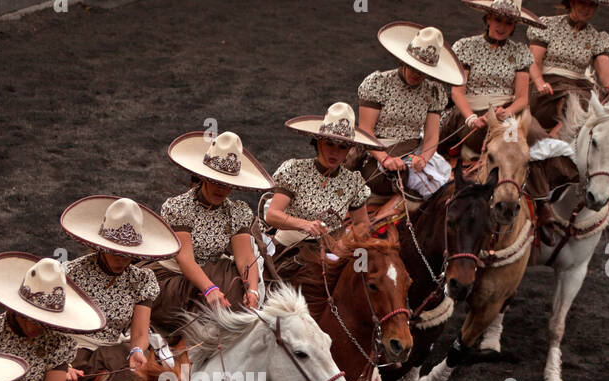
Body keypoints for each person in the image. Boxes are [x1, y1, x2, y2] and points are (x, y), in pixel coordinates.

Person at [148, 131, 273, 336]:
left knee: (238, 283)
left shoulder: (237, 211)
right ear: (204, 176)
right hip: (174, 275)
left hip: (211, 274)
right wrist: (209, 289)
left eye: (227, 183)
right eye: (216, 180)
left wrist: (252, 289)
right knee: (208, 288)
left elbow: (245, 258)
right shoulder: (179, 207)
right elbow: (185, 259)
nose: (221, 189)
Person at [59, 196, 180, 381]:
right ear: (102, 246)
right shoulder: (71, 273)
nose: (121, 260)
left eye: (127, 253)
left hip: (114, 351)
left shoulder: (142, 280)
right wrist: (61, 363)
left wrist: (137, 350)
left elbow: (140, 333)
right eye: (115, 252)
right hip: (75, 354)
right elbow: (52, 325)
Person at [356, 23, 464, 220]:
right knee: (427, 183)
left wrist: (424, 158)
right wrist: (385, 159)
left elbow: (431, 136)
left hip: (412, 153)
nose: (417, 74)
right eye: (414, 67)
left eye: (423, 71)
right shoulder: (379, 83)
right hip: (376, 156)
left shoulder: (433, 91)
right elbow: (365, 130)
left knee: (448, 184)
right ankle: (374, 224)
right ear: (404, 60)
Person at [262, 102, 379, 273]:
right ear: (318, 142)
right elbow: (272, 215)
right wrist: (304, 225)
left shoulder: (353, 182)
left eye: (342, 147)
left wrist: (346, 243)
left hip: (331, 252)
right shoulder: (294, 170)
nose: (335, 152)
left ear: (349, 150)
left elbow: (362, 224)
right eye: (330, 143)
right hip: (289, 248)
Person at [440, 0, 544, 163]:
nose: (502, 27)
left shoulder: (520, 52)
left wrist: (508, 111)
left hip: (506, 114)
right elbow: (457, 93)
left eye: (508, 23)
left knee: (536, 134)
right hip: (472, 113)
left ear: (514, 26)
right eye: (498, 20)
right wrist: (471, 119)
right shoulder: (466, 47)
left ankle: (539, 189)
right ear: (488, 18)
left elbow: (522, 98)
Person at [528, 0, 609, 137]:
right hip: (546, 88)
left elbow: (605, 71)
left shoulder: (598, 38)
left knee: (608, 114)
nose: (586, 8)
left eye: (592, 4)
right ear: (571, 0)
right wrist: (540, 83)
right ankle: (553, 139)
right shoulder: (547, 26)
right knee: (574, 103)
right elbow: (533, 61)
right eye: (583, 2)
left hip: (579, 88)